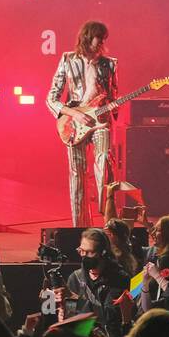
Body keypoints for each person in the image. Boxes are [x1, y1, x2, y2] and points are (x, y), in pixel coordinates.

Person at [46, 20, 119, 227]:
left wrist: (112, 108)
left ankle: (107, 220)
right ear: (88, 37)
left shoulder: (110, 64)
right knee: (77, 173)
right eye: (99, 38)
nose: (102, 42)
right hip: (74, 123)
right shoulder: (68, 60)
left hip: (100, 122)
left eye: (105, 39)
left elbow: (114, 96)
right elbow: (51, 98)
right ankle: (80, 227)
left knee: (104, 160)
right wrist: (74, 115)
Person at [56, 228, 128, 337]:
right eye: (81, 251)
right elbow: (71, 316)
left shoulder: (119, 278)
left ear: (103, 253)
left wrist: (77, 300)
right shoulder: (76, 278)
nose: (84, 256)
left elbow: (109, 316)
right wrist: (64, 309)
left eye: (89, 252)